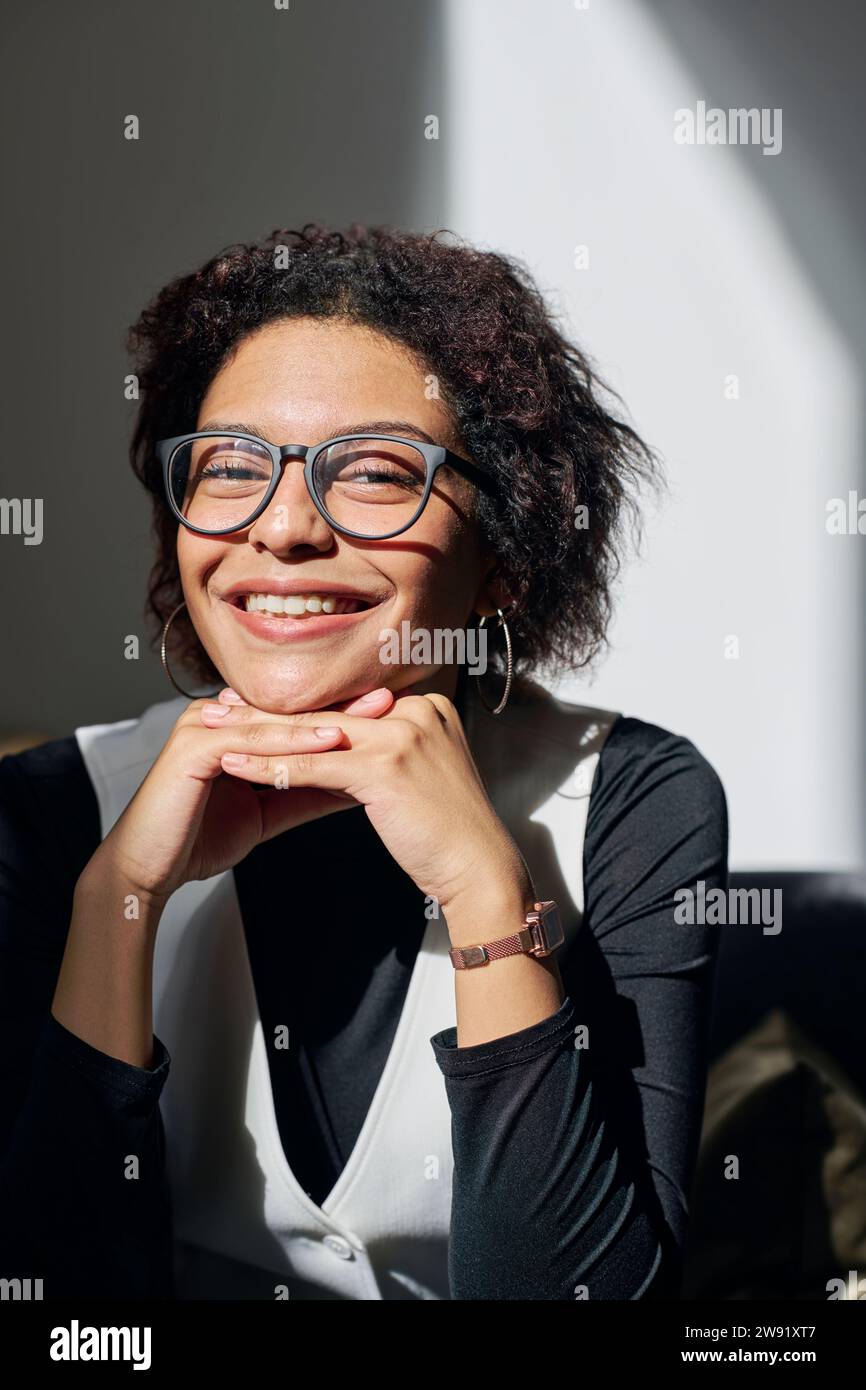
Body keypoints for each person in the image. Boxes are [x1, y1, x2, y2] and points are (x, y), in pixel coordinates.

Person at [0, 222, 728, 1301]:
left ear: (501, 556)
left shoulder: (631, 799)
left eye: (377, 472)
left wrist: (486, 898)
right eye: (231, 466)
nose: (283, 526)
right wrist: (118, 896)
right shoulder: (50, 806)